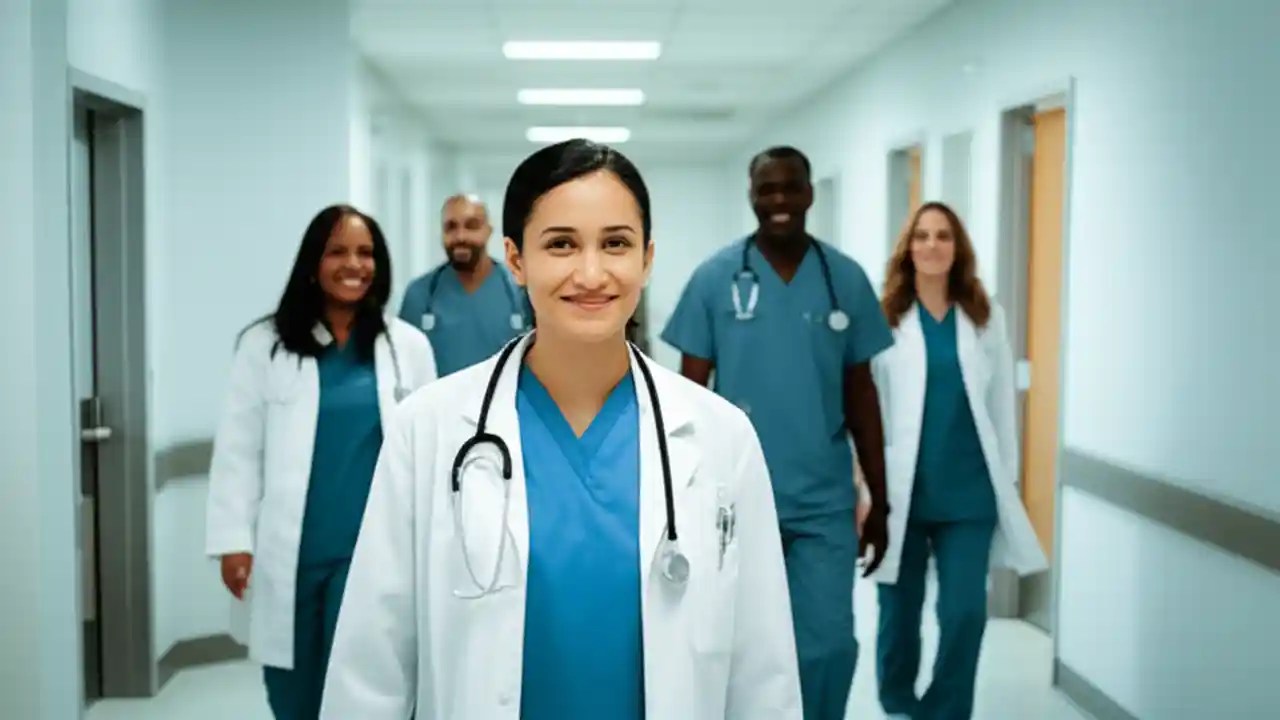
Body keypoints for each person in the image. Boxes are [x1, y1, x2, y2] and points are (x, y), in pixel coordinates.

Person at [319, 139, 804, 719]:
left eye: (616, 244)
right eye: (561, 244)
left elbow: (763, 667)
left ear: (647, 259)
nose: (592, 272)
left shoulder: (721, 436)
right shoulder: (428, 429)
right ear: (516, 259)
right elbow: (372, 662)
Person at [661, 145, 894, 720]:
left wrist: (881, 501)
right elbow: (689, 398)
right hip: (731, 500)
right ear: (751, 197)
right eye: (767, 190)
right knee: (735, 646)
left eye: (791, 188)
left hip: (821, 499)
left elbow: (863, 396)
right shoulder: (716, 279)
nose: (780, 201)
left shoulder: (845, 279)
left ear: (811, 193)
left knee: (830, 645)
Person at [204, 204, 438, 719]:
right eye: (338, 251)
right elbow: (240, 448)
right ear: (313, 262)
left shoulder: (408, 347)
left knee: (361, 685)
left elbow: (428, 454)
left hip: (372, 553)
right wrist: (232, 541)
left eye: (365, 252)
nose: (354, 264)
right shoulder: (264, 345)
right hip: (292, 552)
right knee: (292, 688)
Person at [870, 201, 1048, 720]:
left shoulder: (985, 317)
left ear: (957, 247)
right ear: (908, 248)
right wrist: (865, 491)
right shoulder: (886, 319)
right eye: (921, 236)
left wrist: (1008, 482)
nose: (931, 245)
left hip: (970, 495)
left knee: (965, 613)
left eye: (943, 235)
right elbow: (871, 408)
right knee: (898, 618)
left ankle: (944, 711)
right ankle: (899, 702)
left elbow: (1001, 412)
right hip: (902, 494)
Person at [398, 193, 530, 376]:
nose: (461, 236)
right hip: (438, 403)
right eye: (451, 227)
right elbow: (403, 366)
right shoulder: (420, 295)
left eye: (472, 226)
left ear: (489, 231)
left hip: (503, 402)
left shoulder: (520, 290)